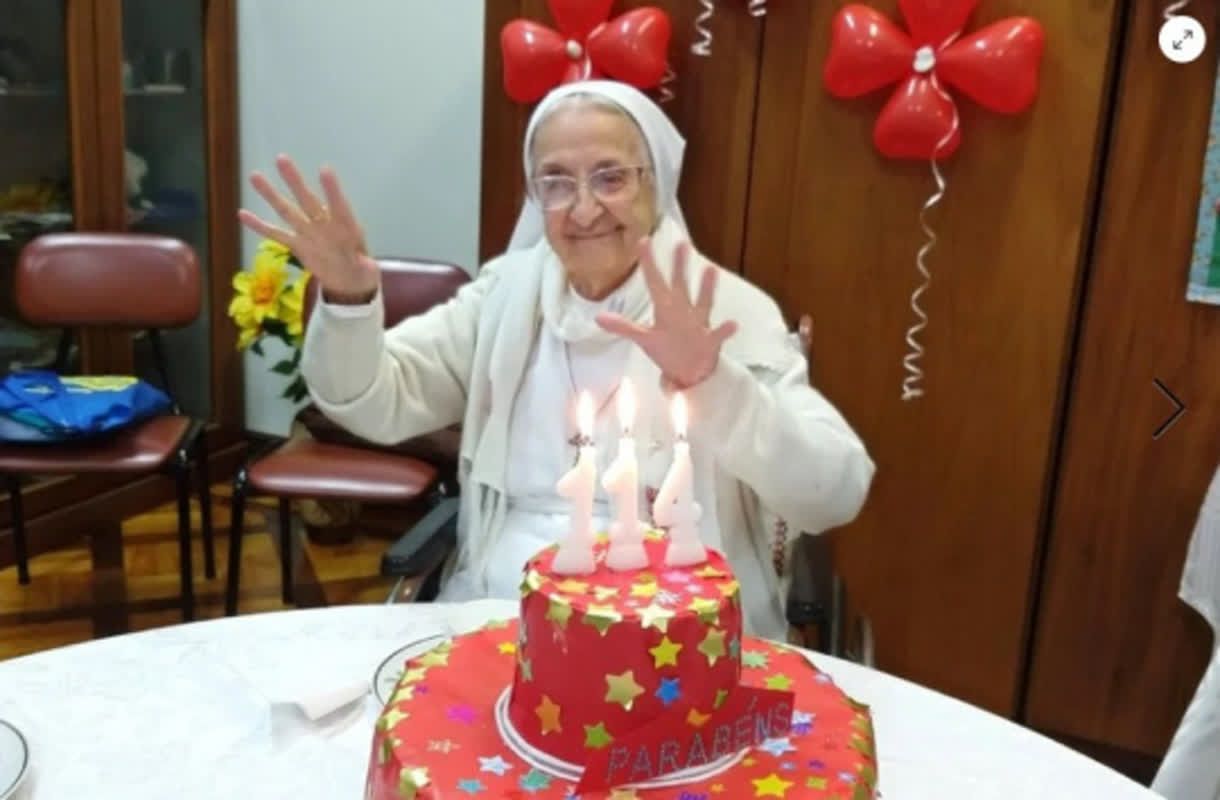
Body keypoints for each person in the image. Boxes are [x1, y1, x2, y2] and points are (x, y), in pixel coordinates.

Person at [237, 80, 875, 640]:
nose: (585, 207)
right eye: (557, 182)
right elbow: (374, 400)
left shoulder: (725, 308)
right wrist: (350, 299)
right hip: (499, 611)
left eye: (611, 176)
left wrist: (715, 383)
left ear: (657, 184)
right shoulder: (505, 296)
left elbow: (834, 491)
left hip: (671, 633)